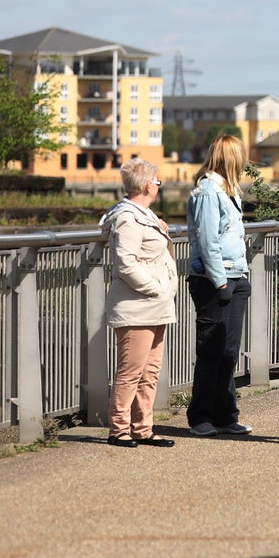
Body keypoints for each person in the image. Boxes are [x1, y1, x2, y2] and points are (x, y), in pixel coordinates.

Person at [99, 158, 177, 448]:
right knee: (131, 371)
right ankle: (118, 430)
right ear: (147, 186)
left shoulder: (143, 214)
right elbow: (126, 263)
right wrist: (156, 288)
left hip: (155, 305)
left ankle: (143, 428)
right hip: (138, 306)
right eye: (157, 182)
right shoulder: (127, 218)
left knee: (150, 372)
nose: (158, 186)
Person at [184, 134, 253, 437]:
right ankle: (200, 416)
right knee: (211, 350)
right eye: (241, 157)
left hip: (235, 276)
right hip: (216, 280)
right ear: (231, 158)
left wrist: (241, 278)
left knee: (228, 352)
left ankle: (225, 415)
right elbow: (208, 240)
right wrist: (221, 282)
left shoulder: (229, 190)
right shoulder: (208, 192)